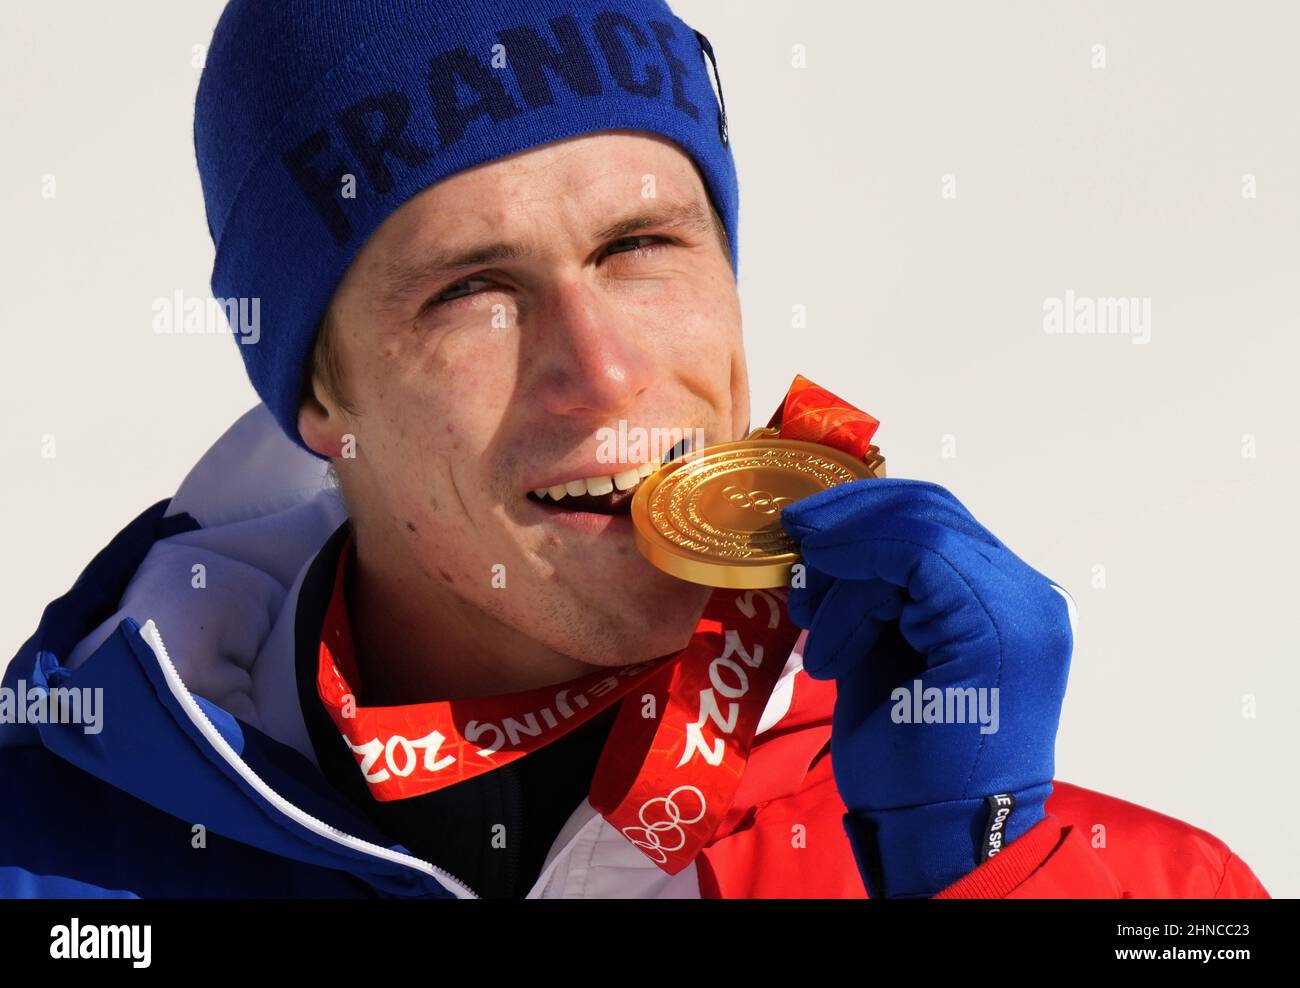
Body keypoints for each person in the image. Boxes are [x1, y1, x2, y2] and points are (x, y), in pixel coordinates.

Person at [0, 0, 1269, 899]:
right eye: (472, 291)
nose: (602, 370)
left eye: (639, 248)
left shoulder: (1141, 892)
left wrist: (983, 882)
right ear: (318, 396)